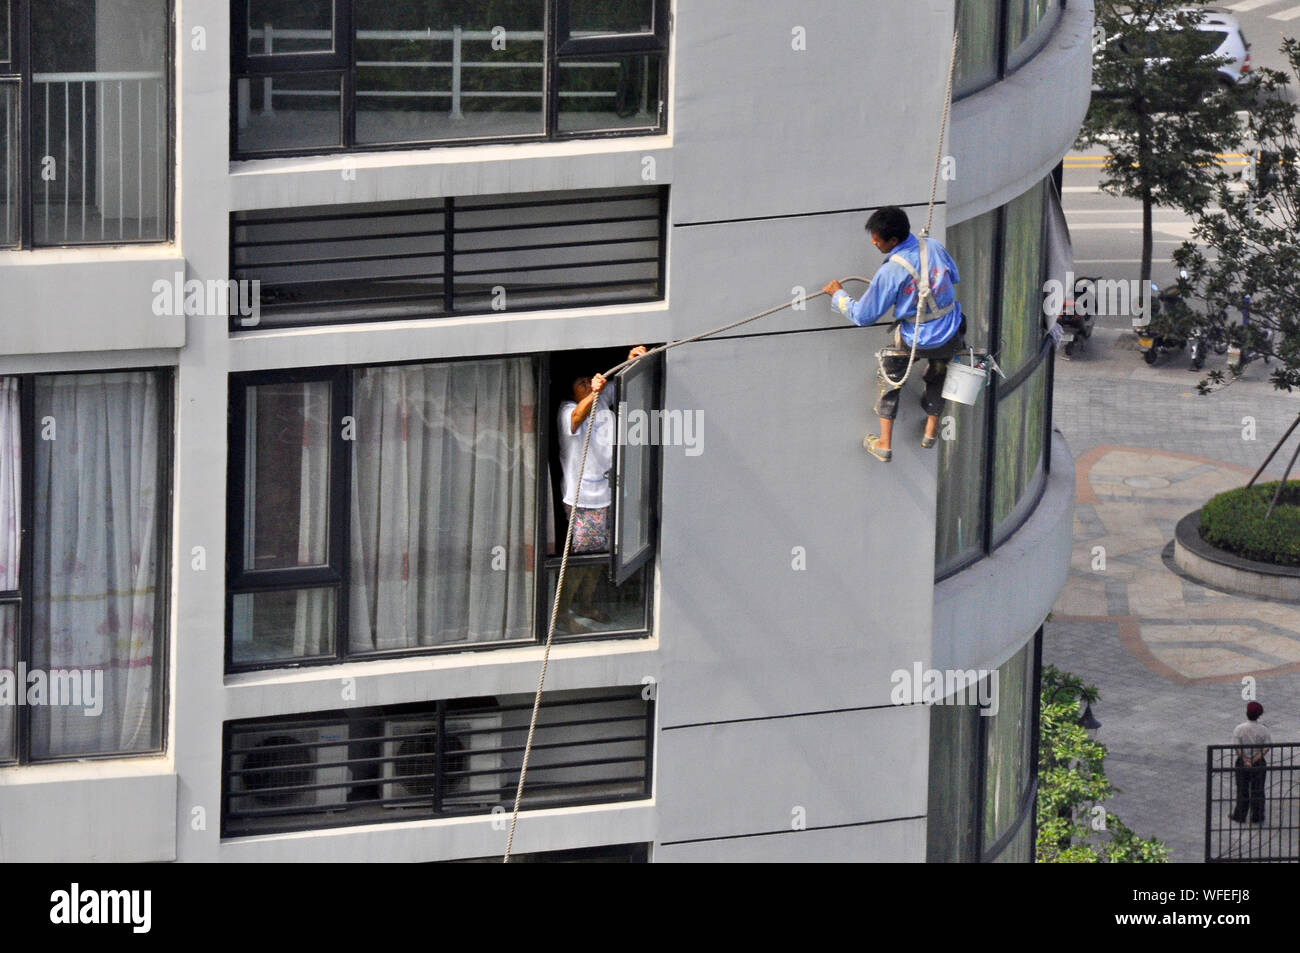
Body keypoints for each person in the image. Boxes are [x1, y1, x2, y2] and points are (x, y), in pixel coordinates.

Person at [823, 206, 964, 463]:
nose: (873, 242)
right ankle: (931, 431)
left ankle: (885, 443)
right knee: (940, 371)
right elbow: (954, 277)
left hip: (916, 338)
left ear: (894, 241)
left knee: (889, 377)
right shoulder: (933, 247)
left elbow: (864, 316)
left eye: (877, 239)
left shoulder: (890, 272)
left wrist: (838, 295)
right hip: (950, 329)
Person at [555, 345, 648, 633]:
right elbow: (577, 419)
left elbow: (619, 382)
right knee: (580, 560)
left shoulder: (600, 401)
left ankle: (585, 604)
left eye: (588, 381)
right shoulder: (568, 410)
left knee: (598, 558)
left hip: (606, 495)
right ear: (572, 392)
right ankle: (563, 613)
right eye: (581, 383)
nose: (587, 385)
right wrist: (592, 393)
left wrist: (631, 362)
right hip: (582, 500)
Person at [1231, 701, 1271, 824]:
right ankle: (1257, 816)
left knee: (1242, 788)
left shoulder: (1239, 728)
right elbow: (1266, 747)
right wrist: (1254, 759)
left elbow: (1237, 747)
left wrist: (1245, 759)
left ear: (1247, 713)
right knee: (1258, 789)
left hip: (1242, 762)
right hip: (1258, 762)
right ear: (1259, 715)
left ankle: (1240, 815)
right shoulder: (1263, 730)